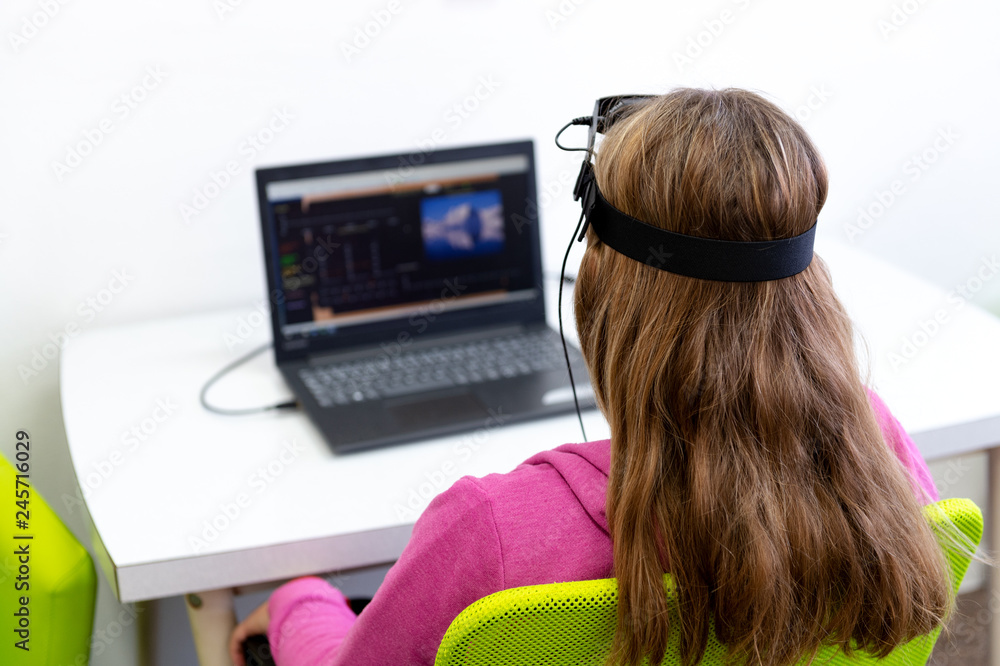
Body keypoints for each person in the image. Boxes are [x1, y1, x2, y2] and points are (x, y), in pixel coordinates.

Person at [229, 88, 949, 666]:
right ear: (807, 290)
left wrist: (299, 601)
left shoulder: (490, 531)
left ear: (603, 291)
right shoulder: (874, 448)